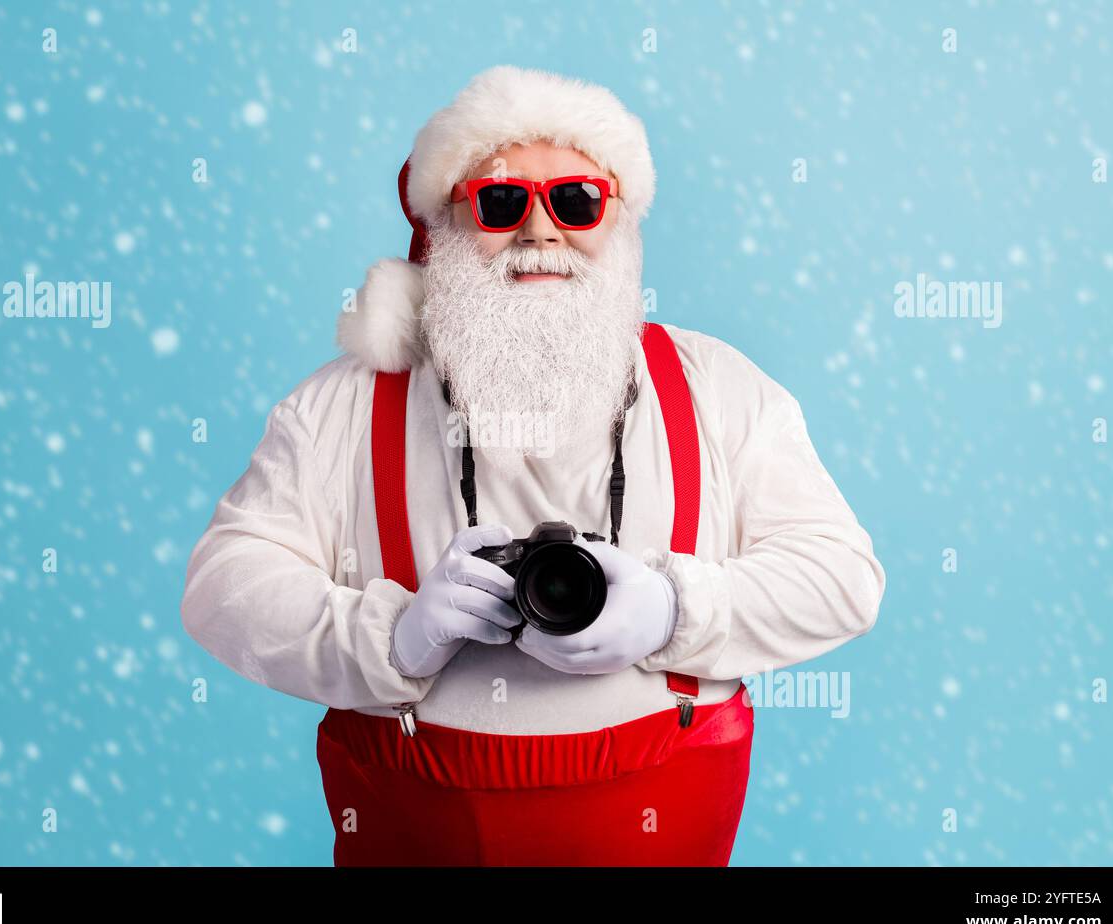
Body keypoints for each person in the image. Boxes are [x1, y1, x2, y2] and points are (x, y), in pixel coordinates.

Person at [180, 65, 886, 866]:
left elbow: (843, 578)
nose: (540, 233)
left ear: (620, 221)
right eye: (502, 202)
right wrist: (393, 639)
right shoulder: (344, 406)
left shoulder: (717, 390)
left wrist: (671, 611)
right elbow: (221, 587)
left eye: (577, 201)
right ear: (445, 223)